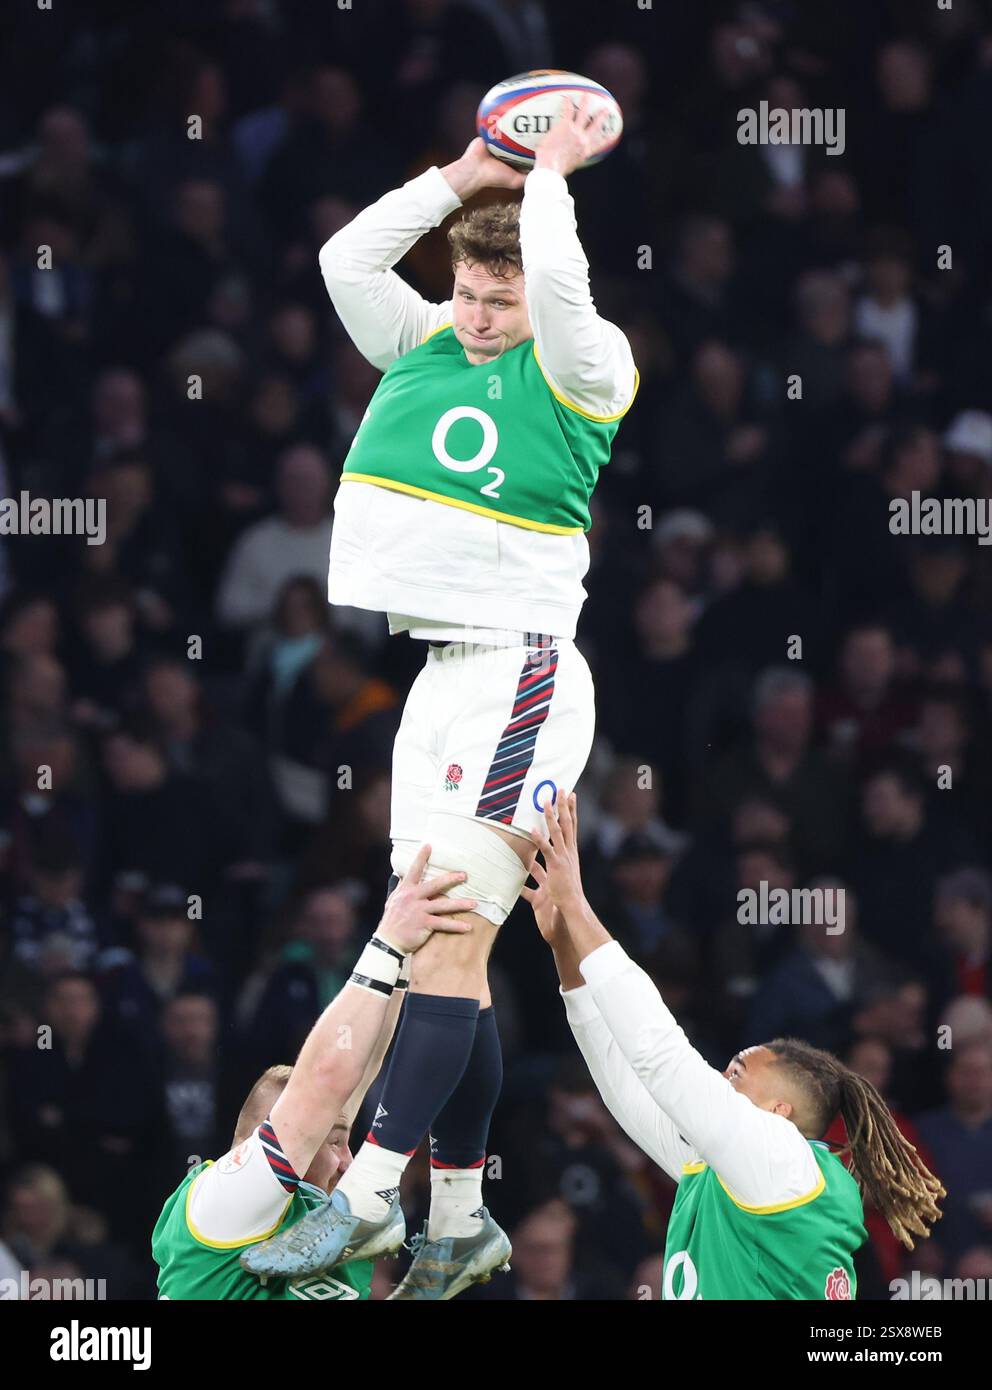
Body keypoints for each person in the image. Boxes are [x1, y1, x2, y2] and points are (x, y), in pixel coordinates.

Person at [245, 97, 637, 1295]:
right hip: (437, 680)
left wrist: (553, 176)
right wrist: (462, 173)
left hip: (522, 671)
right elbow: (340, 258)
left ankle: (367, 1197)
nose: (475, 317)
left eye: (496, 299)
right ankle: (460, 1216)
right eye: (466, 292)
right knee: (429, 952)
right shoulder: (420, 339)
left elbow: (563, 297)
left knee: (454, 940)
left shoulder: (583, 368)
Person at [522, 791, 945, 1300]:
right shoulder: (723, 1167)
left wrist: (578, 906)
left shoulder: (784, 1160)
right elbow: (625, 1087)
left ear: (779, 1111)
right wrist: (568, 951)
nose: (721, 1078)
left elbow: (661, 1054)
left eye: (738, 1072)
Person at [153, 848, 476, 1299]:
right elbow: (327, 1077)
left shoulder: (327, 1219)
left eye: (343, 1141)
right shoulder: (224, 1196)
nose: (348, 1161)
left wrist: (405, 963)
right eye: (334, 1141)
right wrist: (387, 942)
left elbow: (360, 1069)